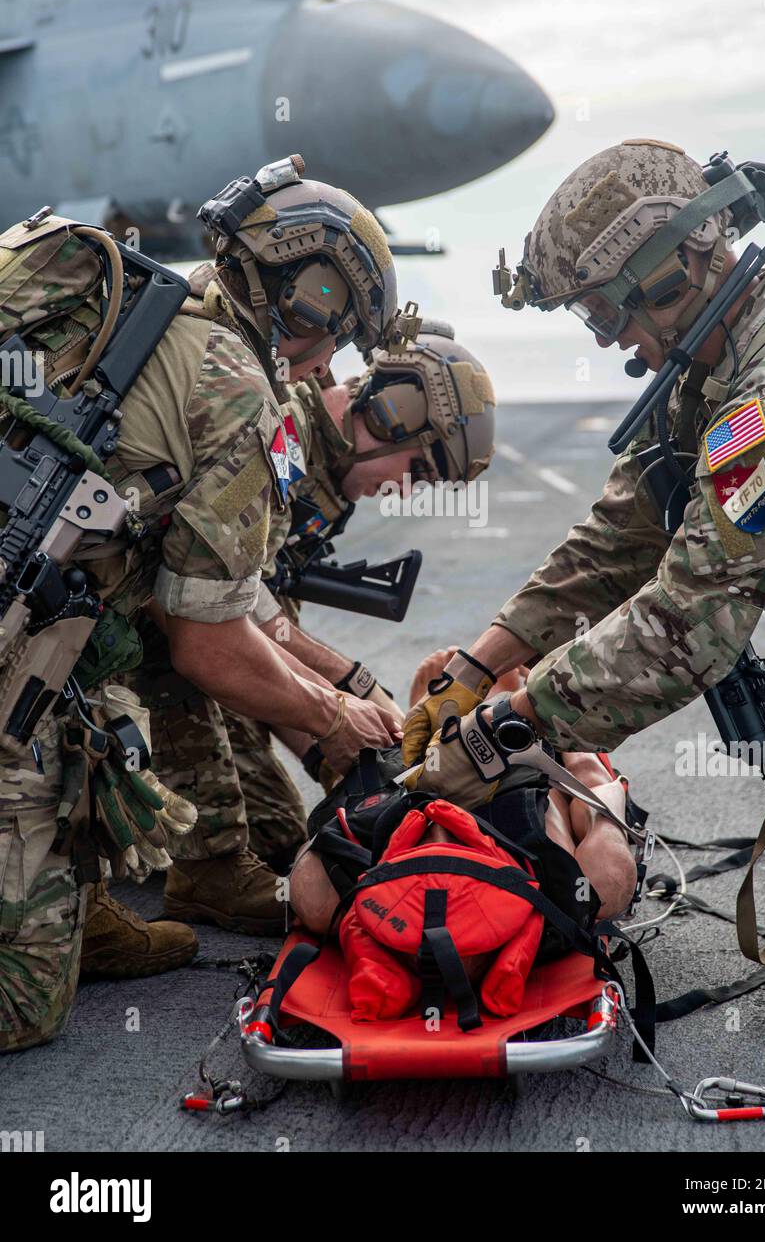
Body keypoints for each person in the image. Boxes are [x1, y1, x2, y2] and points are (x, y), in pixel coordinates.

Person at [401, 138, 765, 1046]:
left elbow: (687, 625)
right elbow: (618, 536)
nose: (611, 339)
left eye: (603, 312)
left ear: (667, 268)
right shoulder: (712, 365)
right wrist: (476, 665)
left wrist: (504, 736)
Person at [0, 157, 399, 1049]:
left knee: (98, 683)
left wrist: (340, 686)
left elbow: (216, 592)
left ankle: (76, 901)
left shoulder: (140, 322)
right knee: (22, 1010)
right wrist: (333, 719)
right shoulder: (239, 395)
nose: (328, 360)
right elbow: (208, 644)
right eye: (335, 334)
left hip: (33, 623)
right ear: (308, 293)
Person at [134, 327, 497, 920]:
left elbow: (269, 617)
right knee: (265, 848)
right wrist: (345, 697)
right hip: (158, 634)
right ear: (392, 415)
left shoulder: (324, 476)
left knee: (280, 838)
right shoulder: (278, 441)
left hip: (204, 636)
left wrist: (351, 757)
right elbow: (221, 619)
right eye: (420, 469)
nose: (406, 492)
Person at [289, 655, 638, 975]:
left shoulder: (322, 898)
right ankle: (522, 724)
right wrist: (570, 750)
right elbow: (598, 795)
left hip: (412, 800)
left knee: (383, 775)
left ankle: (428, 731)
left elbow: (346, 806)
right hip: (514, 790)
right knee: (577, 800)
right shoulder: (585, 890)